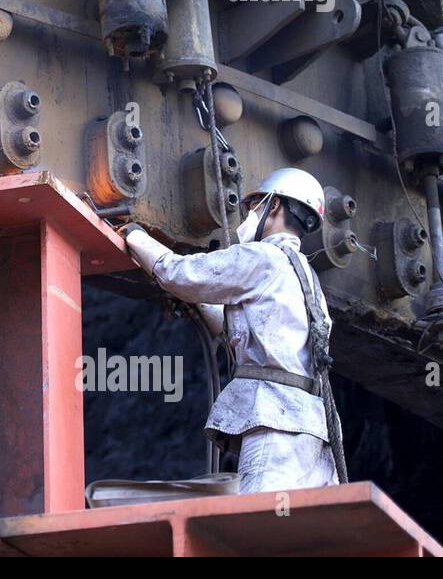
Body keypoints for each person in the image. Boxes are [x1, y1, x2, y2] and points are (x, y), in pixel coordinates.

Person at [120, 167, 347, 493]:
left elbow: (181, 274)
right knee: (298, 530)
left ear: (275, 206)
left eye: (254, 206)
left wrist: (135, 237)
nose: (249, 215)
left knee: (261, 525)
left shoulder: (263, 257)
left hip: (276, 423)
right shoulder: (307, 278)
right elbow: (241, 333)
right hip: (314, 431)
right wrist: (200, 305)